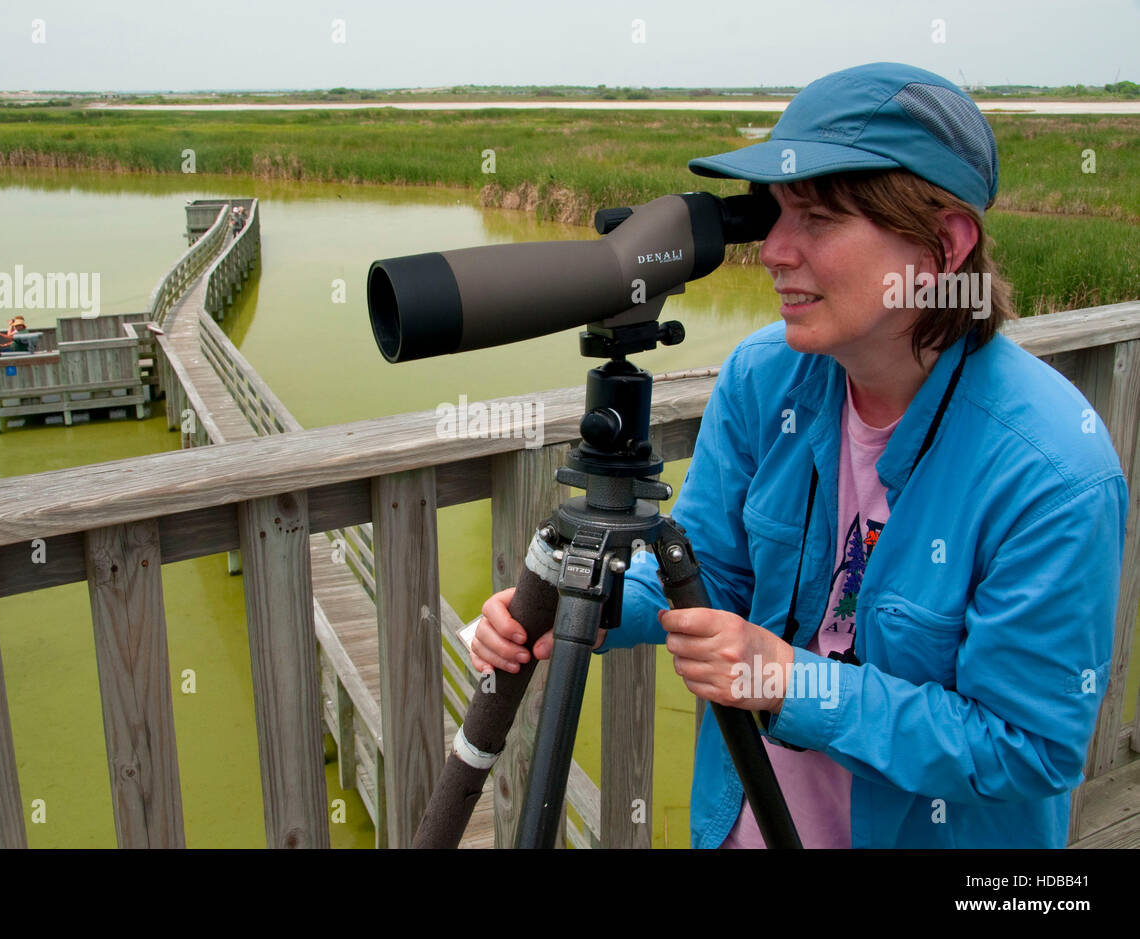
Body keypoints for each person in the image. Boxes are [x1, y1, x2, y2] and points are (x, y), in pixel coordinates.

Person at [469, 62, 1129, 848]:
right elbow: (711, 563)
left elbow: (1029, 746)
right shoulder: (764, 377)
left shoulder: (1052, 471)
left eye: (816, 219)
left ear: (946, 245)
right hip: (742, 822)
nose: (774, 250)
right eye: (776, 214)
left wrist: (790, 682)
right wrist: (593, 604)